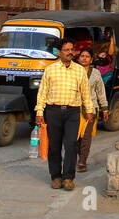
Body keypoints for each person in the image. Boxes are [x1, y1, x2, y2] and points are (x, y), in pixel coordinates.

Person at [34, 40, 94, 191]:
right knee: (54, 146)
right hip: (53, 111)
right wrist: (40, 112)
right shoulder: (50, 70)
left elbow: (85, 92)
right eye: (65, 49)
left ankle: (68, 178)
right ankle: (56, 177)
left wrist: (89, 110)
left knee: (71, 145)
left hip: (73, 112)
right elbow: (42, 92)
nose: (69, 52)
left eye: (71, 49)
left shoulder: (79, 70)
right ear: (59, 52)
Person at [74, 48, 110, 173]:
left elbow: (101, 92)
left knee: (86, 137)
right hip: (74, 109)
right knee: (75, 137)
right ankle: (79, 157)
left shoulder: (95, 73)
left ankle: (82, 161)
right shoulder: (72, 71)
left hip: (91, 110)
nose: (84, 58)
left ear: (91, 59)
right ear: (78, 59)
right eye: (82, 56)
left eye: (87, 56)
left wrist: (104, 108)